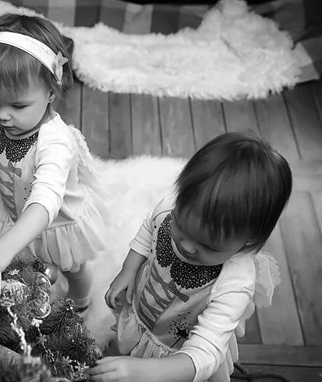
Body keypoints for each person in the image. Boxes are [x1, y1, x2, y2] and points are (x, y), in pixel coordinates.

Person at [0, 13, 109, 315]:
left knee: (74, 268)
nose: (2, 116)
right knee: (26, 267)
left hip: (57, 224)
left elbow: (46, 199)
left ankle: (81, 302)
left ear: (51, 92)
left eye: (17, 105)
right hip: (17, 216)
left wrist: (6, 245)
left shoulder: (55, 143)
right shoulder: (10, 125)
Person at [89, 132, 292, 382]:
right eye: (181, 226)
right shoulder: (170, 208)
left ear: (247, 241)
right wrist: (129, 268)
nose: (185, 245)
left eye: (208, 246)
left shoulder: (235, 283)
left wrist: (144, 371)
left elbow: (205, 354)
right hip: (143, 317)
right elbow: (149, 227)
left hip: (178, 360)